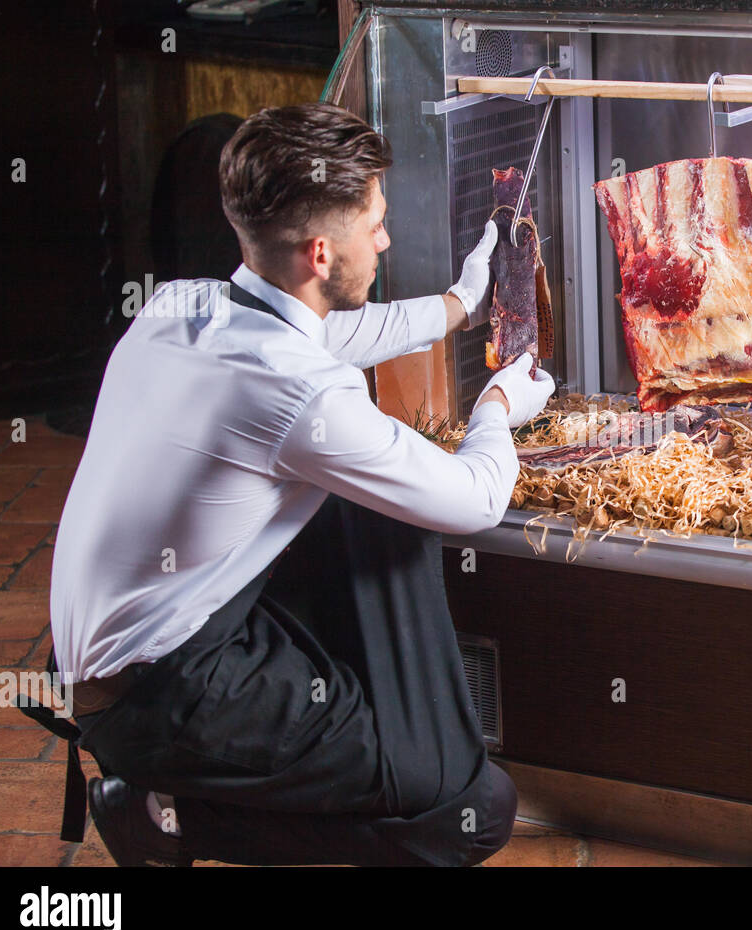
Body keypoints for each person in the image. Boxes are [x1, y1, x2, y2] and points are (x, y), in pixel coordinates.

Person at [33, 102, 555, 866]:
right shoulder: (299, 396)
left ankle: (295, 747)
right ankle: (163, 813)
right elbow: (472, 499)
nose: (384, 237)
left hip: (123, 657)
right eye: (374, 222)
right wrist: (498, 407)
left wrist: (458, 304)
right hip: (162, 695)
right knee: (472, 809)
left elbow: (329, 334)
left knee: (363, 490)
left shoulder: (181, 306)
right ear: (319, 253)